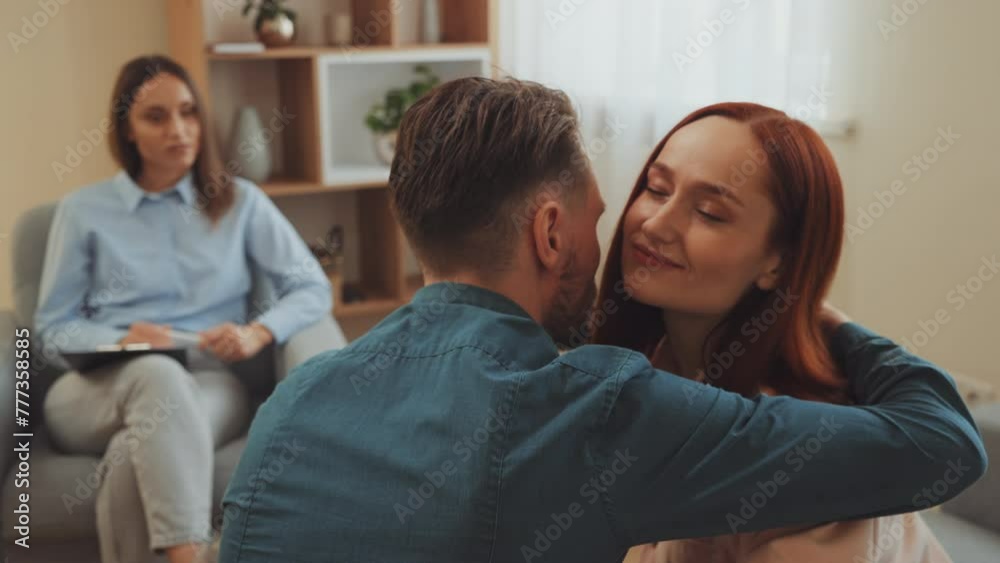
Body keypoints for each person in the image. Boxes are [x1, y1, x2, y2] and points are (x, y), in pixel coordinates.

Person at [218, 77, 986, 563]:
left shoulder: (296, 399)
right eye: (648, 189)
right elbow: (943, 442)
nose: (646, 226)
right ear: (550, 234)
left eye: (710, 207)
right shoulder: (596, 405)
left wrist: (807, 315)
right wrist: (832, 318)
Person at [594, 103, 952, 563]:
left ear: (778, 262)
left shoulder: (806, 460)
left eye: (709, 212)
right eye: (657, 188)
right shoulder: (652, 367)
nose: (655, 224)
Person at [34, 55, 331, 563]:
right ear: (127, 129)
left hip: (209, 382)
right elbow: (49, 330)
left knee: (135, 453)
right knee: (153, 372)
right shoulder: (84, 212)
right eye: (156, 116)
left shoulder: (242, 203)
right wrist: (123, 340)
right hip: (94, 389)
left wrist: (258, 333)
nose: (179, 129)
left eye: (189, 112)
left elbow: (312, 288)